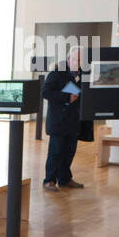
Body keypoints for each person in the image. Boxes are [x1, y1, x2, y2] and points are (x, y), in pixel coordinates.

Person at [42, 45, 90, 190]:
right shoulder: (57, 73)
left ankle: (65, 179)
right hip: (59, 121)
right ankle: (49, 180)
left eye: (80, 59)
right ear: (68, 59)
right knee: (55, 152)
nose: (77, 62)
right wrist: (66, 97)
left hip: (74, 122)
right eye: (75, 58)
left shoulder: (84, 74)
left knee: (69, 151)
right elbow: (46, 93)